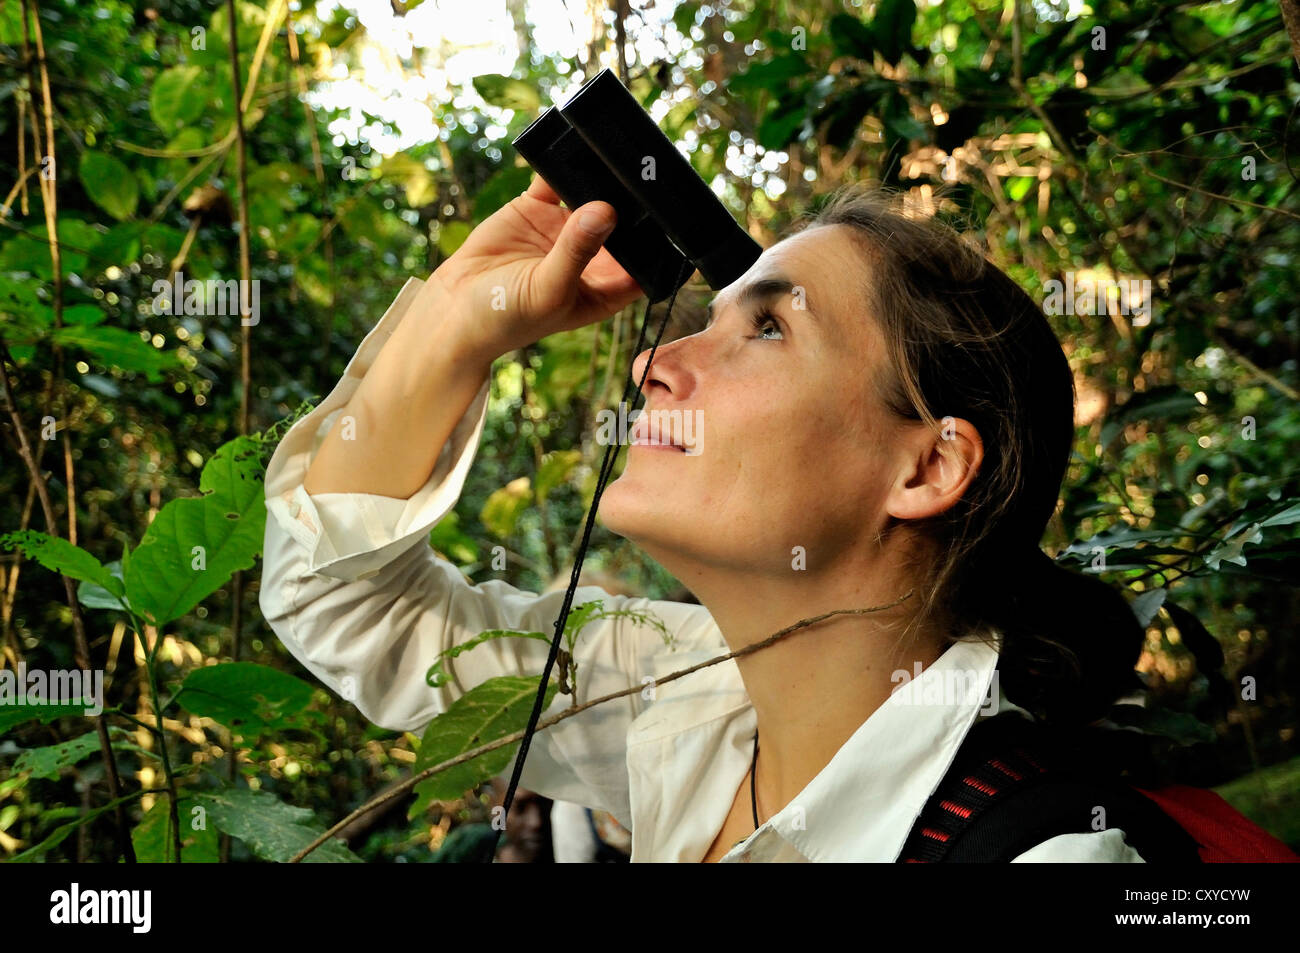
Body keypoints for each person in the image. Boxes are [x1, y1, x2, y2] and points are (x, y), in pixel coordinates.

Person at [259, 177, 1159, 861]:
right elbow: (347, 604)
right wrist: (457, 319)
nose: (657, 361)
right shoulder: (675, 693)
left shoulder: (1048, 856)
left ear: (927, 466)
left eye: (768, 330)